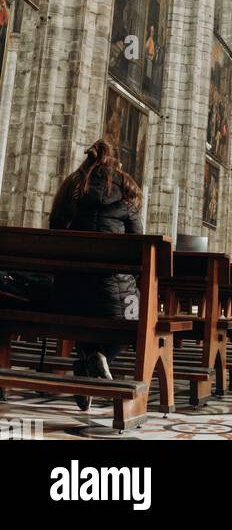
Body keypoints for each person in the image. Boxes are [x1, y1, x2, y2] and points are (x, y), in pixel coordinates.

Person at [49, 139, 143, 410]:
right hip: (111, 296)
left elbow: (54, 228)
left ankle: (89, 357)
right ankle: (98, 355)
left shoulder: (71, 186)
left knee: (83, 309)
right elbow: (139, 247)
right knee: (137, 315)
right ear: (116, 164)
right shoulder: (126, 192)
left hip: (66, 294)